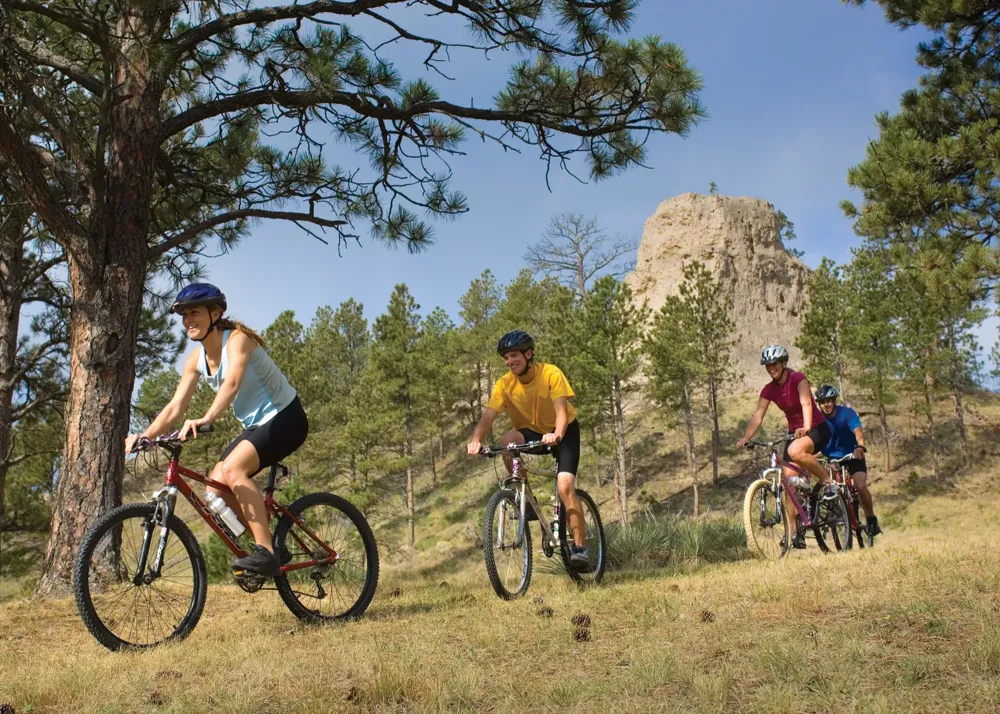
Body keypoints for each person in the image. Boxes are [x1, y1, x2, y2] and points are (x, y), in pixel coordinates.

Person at [124, 283, 308, 576]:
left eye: (194, 312)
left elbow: (232, 383)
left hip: (286, 417)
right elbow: (175, 407)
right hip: (257, 425)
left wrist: (206, 417)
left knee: (233, 470)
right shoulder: (195, 361)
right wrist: (145, 437)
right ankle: (272, 544)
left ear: (215, 312)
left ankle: (265, 554)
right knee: (215, 487)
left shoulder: (237, 340)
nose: (188, 320)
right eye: (183, 315)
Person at [467, 330, 590, 569]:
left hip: (564, 432)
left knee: (565, 487)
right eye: (505, 358)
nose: (509, 361)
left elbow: (562, 412)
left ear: (528, 354)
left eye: (513, 355)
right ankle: (526, 498)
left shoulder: (550, 373)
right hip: (533, 433)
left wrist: (557, 434)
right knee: (505, 442)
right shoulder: (505, 384)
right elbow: (488, 416)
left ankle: (580, 548)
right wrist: (476, 440)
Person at [736, 345, 834, 549]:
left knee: (795, 451)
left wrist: (806, 427)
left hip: (816, 428)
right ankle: (796, 533)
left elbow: (806, 404)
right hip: (795, 433)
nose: (771, 368)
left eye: (774, 364)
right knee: (788, 482)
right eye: (767, 365)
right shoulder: (769, 389)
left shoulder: (798, 378)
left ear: (783, 363)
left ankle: (827, 481)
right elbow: (758, 415)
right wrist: (746, 437)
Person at [814, 384, 881, 539]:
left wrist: (860, 446)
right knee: (829, 485)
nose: (826, 405)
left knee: (860, 485)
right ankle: (837, 511)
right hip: (832, 458)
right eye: (822, 402)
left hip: (852, 455)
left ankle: (871, 518)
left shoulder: (847, 414)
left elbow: (858, 431)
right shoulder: (818, 420)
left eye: (828, 401)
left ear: (834, 400)